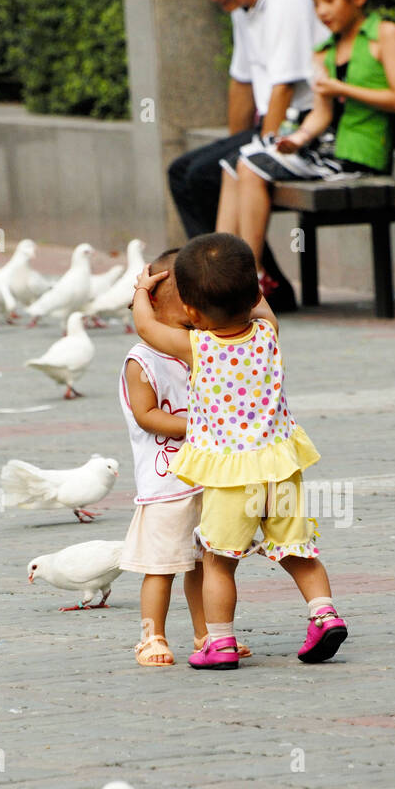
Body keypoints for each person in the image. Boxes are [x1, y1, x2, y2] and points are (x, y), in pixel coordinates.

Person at [131, 232, 348, 670]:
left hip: (230, 479)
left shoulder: (200, 347)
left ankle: (220, 642)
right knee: (297, 550)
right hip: (280, 468)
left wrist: (141, 289)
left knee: (217, 561)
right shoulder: (269, 333)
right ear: (254, 294)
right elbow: (260, 306)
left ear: (190, 311)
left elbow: (145, 328)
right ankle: (324, 613)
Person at [168, 0, 327, 312]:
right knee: (184, 171)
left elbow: (284, 85)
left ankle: (232, 289)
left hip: (306, 126)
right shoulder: (244, 4)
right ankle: (224, 285)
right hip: (275, 122)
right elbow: (241, 81)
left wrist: (255, 151)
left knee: (205, 173)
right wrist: (232, 146)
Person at [222, 0, 395, 271]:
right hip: (325, 151)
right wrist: (296, 139)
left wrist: (343, 89)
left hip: (358, 158)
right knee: (235, 164)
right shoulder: (326, 49)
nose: (321, 11)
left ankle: (249, 277)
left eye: (329, 0)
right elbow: (322, 114)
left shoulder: (384, 34)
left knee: (252, 168)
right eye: (316, 3)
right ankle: (221, 274)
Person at [119, 249, 251, 667]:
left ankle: (207, 635)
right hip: (165, 487)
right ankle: (151, 636)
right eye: (186, 290)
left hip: (204, 479)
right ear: (154, 299)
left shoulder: (198, 346)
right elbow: (147, 415)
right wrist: (203, 422)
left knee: (203, 563)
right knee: (161, 567)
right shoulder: (142, 360)